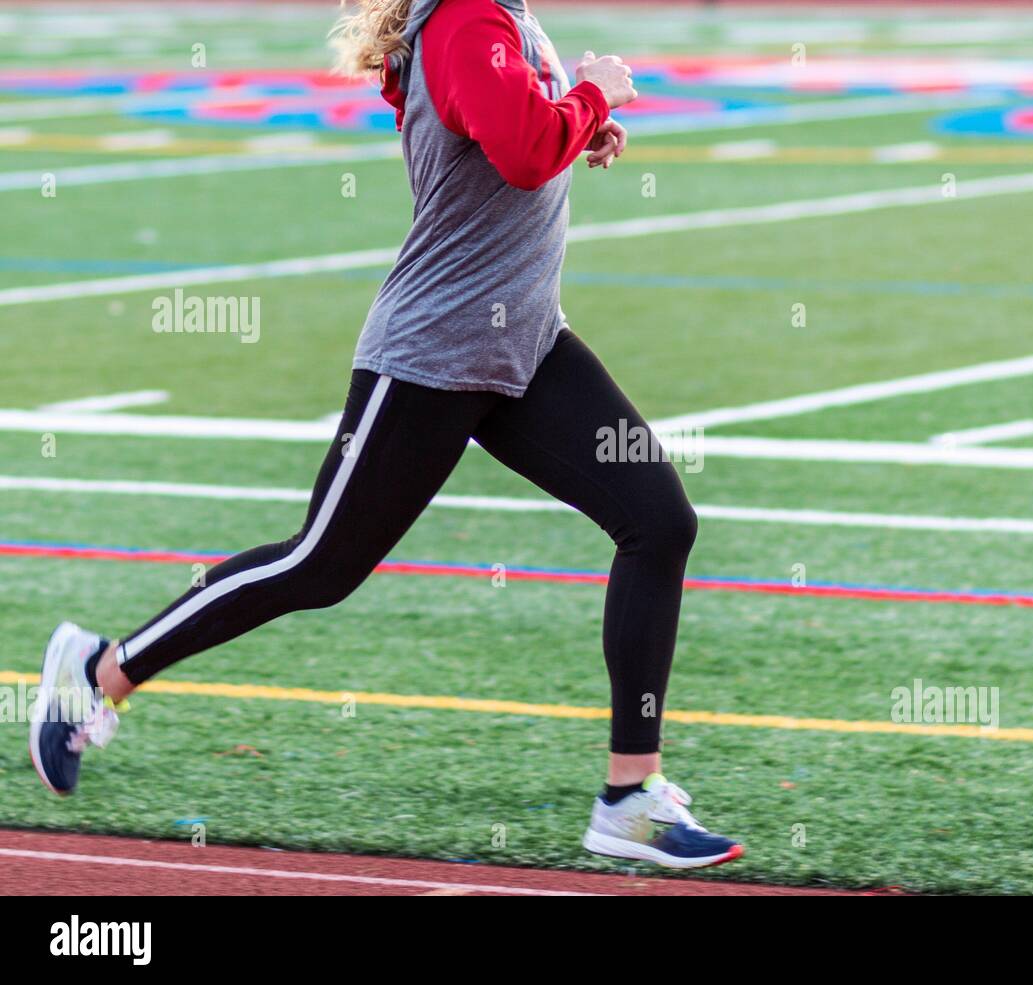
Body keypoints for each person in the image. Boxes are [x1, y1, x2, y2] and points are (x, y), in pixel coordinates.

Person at [29, 0, 742, 870]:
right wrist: (588, 99)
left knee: (659, 520)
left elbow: (511, 137)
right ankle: (99, 670)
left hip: (525, 342)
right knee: (317, 565)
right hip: (434, 353)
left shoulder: (493, 16)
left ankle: (629, 797)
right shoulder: (466, 19)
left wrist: (574, 125)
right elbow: (518, 153)